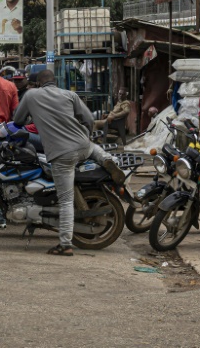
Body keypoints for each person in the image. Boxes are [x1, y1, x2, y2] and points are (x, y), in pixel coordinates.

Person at [12, 69, 126, 256]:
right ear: (55, 82)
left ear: (39, 83)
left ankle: (65, 244)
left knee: (65, 200)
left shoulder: (31, 95)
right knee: (93, 149)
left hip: (61, 153)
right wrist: (86, 134)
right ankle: (108, 160)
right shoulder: (69, 94)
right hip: (82, 144)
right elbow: (89, 119)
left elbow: (17, 120)